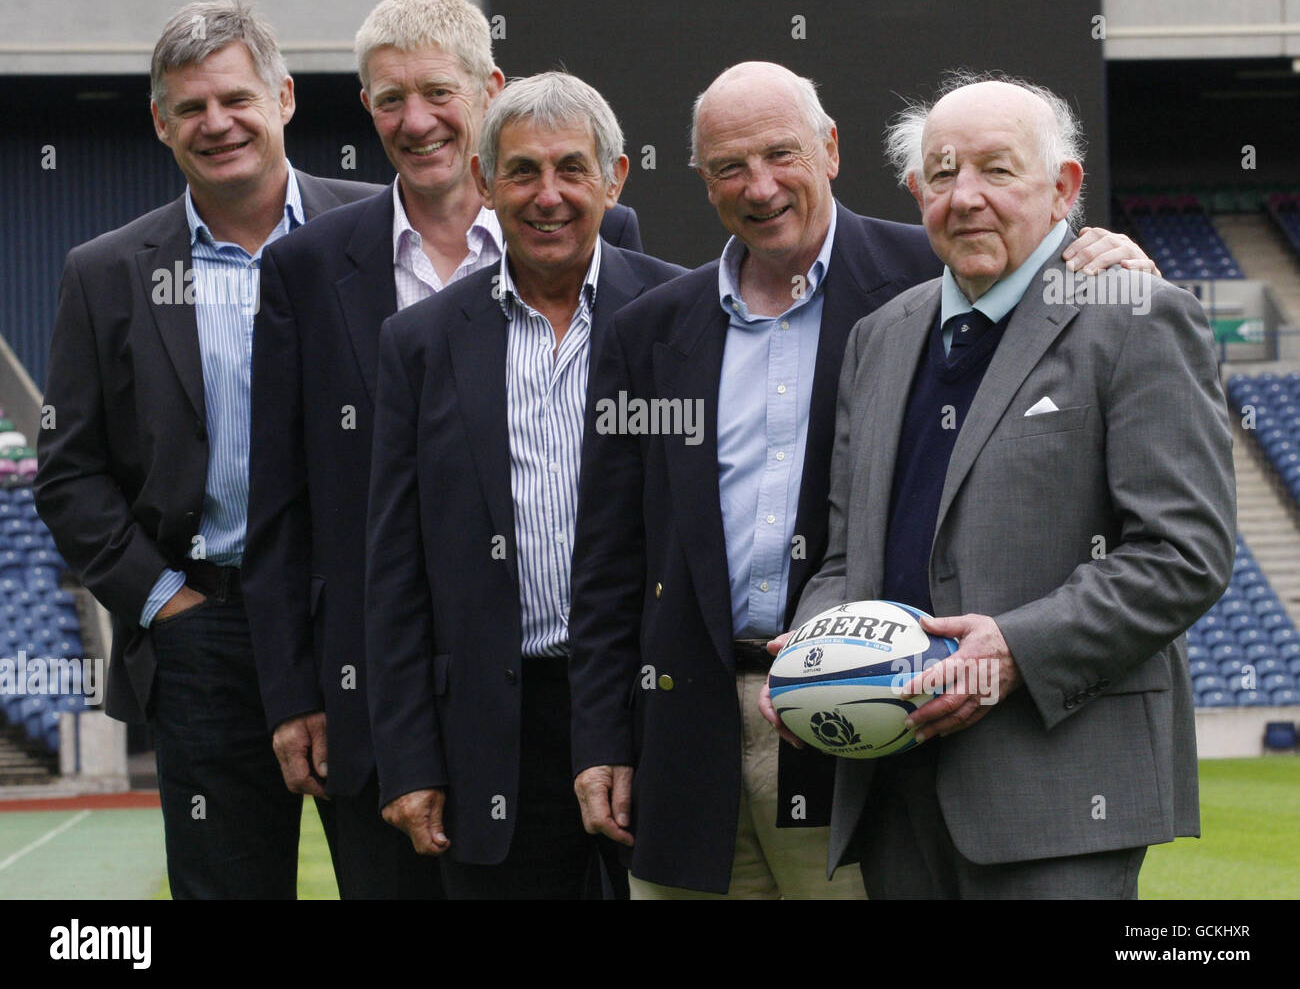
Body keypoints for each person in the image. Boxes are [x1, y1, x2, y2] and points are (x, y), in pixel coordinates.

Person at [567, 61, 1157, 899]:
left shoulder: (941, 271)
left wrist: (1116, 257)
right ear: (702, 180)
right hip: (682, 738)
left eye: (781, 154)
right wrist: (600, 738)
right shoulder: (649, 331)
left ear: (832, 149)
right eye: (729, 166)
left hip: (859, 727)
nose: (760, 186)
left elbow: (1063, 292)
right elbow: (607, 560)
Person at [761, 73, 1235, 899]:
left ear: (1063, 189)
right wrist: (808, 651)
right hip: (893, 785)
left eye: (996, 170)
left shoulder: (1135, 315)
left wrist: (1013, 650)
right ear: (917, 193)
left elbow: (1184, 554)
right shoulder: (882, 337)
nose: (966, 196)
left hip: (1058, 792)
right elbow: (846, 556)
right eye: (942, 174)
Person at [243, 0, 642, 898]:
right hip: (389, 686)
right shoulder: (307, 266)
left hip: (591, 680)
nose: (415, 121)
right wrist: (299, 690)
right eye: (389, 99)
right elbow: (283, 500)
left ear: (488, 91)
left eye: (437, 93)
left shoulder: (608, 242)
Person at [33, 0, 384, 898]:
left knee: (401, 882)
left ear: (284, 98)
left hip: (365, 626)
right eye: (189, 107)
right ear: (160, 122)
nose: (216, 123)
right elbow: (69, 472)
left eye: (234, 98)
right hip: (205, 637)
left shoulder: (382, 235)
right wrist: (165, 606)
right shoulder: (104, 272)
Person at [365, 72, 684, 899]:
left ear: (615, 179)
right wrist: (407, 758)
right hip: (492, 734)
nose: (549, 196)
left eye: (572, 169)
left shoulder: (684, 315)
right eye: (522, 172)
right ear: (482, 182)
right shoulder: (420, 342)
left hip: (654, 714)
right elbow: (394, 571)